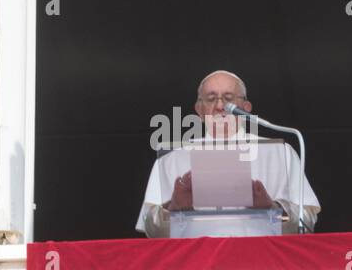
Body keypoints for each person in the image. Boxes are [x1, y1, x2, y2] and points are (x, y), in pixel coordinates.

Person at [136, 69, 320, 237]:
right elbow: (151, 232)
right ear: (199, 110)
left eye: (229, 98)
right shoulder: (171, 158)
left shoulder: (280, 153)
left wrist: (272, 208)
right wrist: (173, 208)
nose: (219, 106)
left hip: (261, 262)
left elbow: (307, 224)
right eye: (210, 98)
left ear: (246, 108)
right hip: (196, 265)